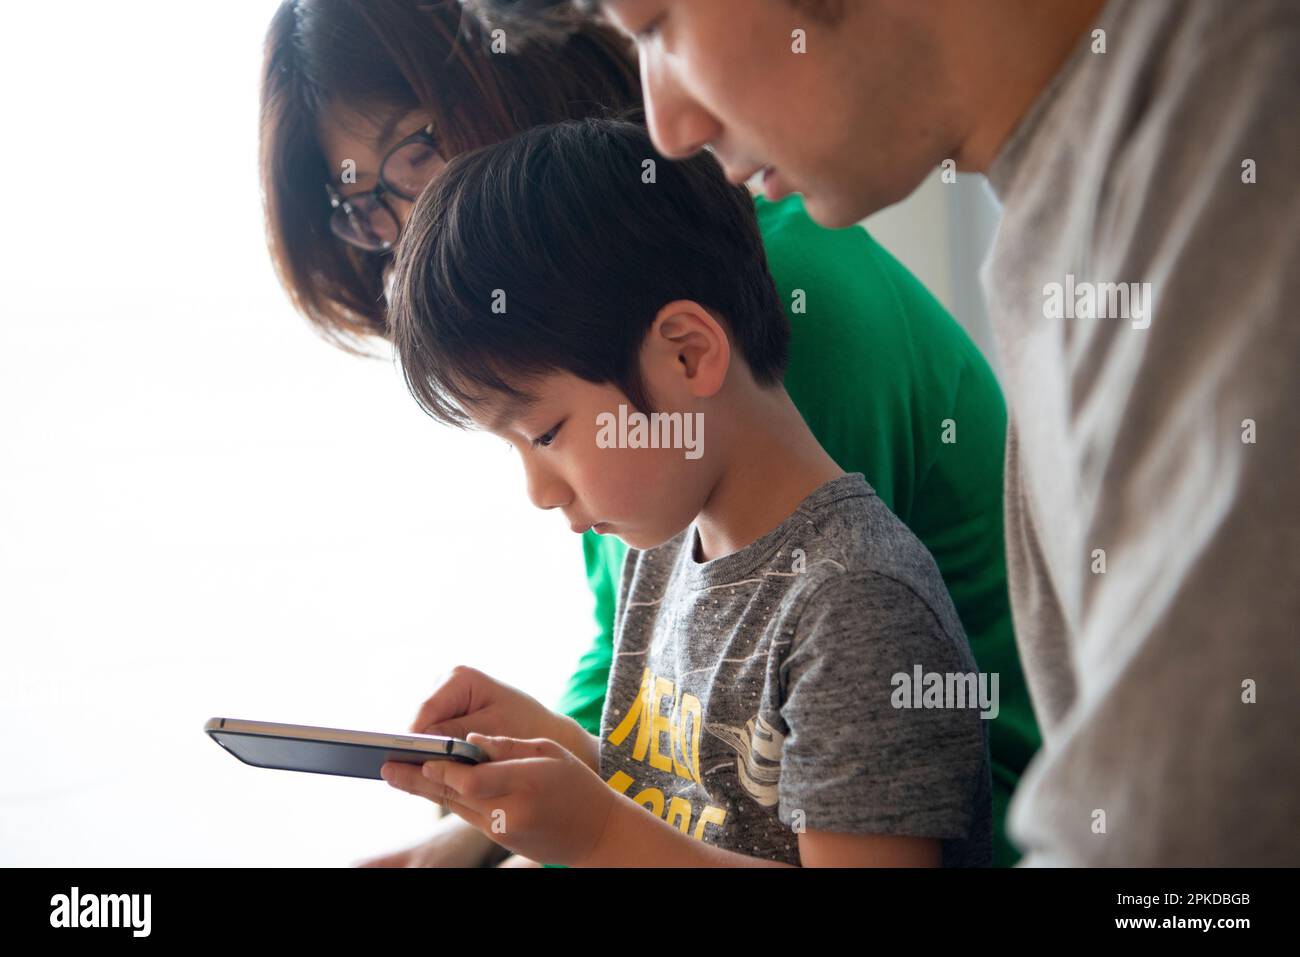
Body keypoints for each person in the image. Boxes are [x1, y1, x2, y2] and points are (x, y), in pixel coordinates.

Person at [469, 0, 1300, 865]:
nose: (669, 128)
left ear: (689, 355)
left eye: (657, 26)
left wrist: (602, 831)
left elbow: (1194, 877)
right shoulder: (1058, 221)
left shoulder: (1239, 145)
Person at [258, 0, 1037, 866]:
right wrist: (534, 782)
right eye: (356, 201)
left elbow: (796, 801)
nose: (403, 223)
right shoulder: (673, 510)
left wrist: (587, 831)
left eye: (411, 150)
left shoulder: (840, 573)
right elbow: (705, 776)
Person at [376, 116, 993, 866]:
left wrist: (598, 832)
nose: (538, 490)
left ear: (688, 353)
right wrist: (561, 751)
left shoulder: (856, 602)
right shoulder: (669, 550)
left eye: (544, 434)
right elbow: (704, 808)